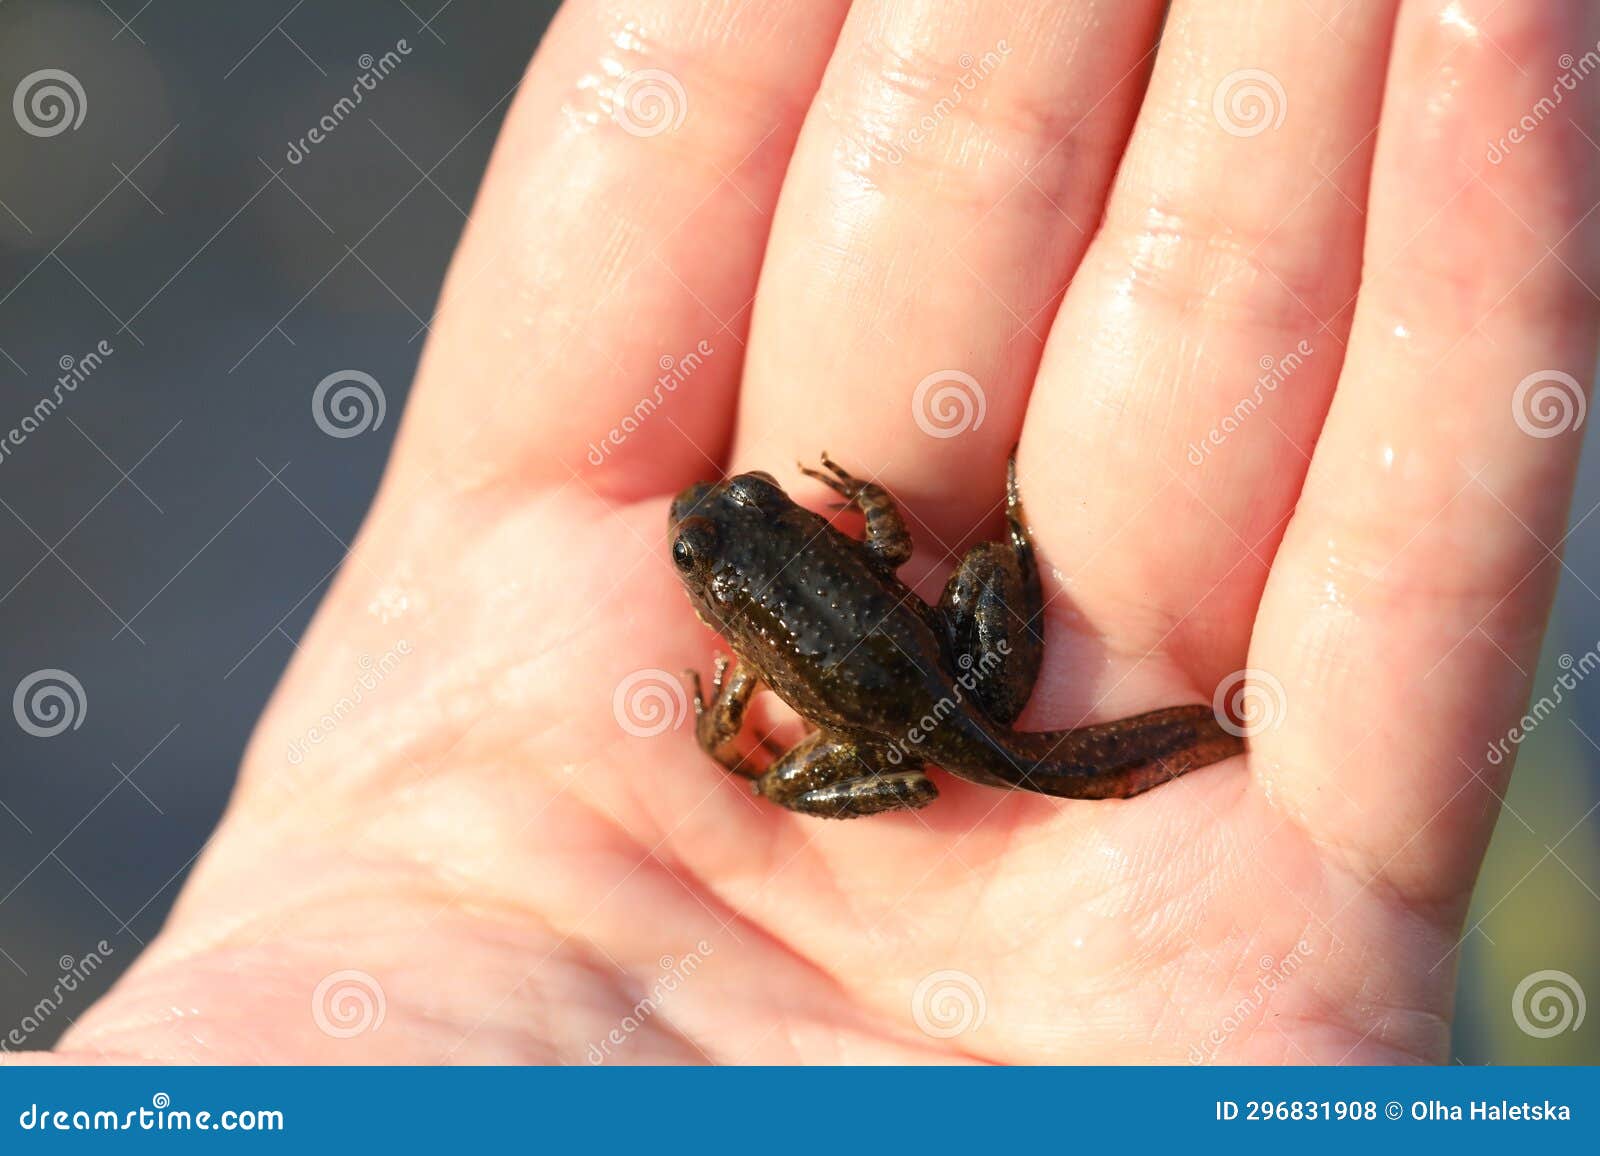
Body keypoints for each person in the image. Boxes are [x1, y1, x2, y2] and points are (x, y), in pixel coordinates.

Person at [30, 0, 1600, 1063]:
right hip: (936, 706)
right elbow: (879, 544)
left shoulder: (753, 595)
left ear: (759, 554)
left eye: (742, 517)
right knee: (990, 588)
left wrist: (752, 711)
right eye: (729, 529)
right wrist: (881, 551)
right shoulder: (793, 574)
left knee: (933, 671)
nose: (726, 515)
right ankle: (1090, 710)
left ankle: (1080, 727)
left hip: (933, 717)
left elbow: (851, 563)